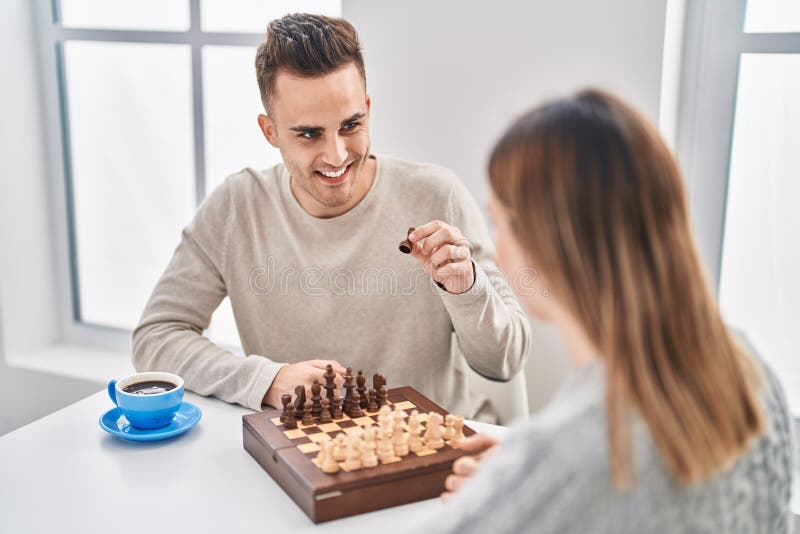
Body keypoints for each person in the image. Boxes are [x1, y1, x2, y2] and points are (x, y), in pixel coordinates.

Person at [423, 90, 794, 532]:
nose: (497, 249)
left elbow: (588, 470)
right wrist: (521, 482)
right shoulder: (750, 369)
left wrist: (516, 491)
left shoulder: (562, 461)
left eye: (499, 222)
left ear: (546, 243)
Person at [131, 13, 530, 419]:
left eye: (351, 125)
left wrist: (468, 290)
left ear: (368, 110)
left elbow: (505, 363)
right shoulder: (236, 207)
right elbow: (156, 337)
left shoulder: (436, 195)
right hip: (299, 459)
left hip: (431, 455)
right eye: (309, 134)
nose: (337, 156)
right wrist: (266, 381)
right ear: (270, 131)